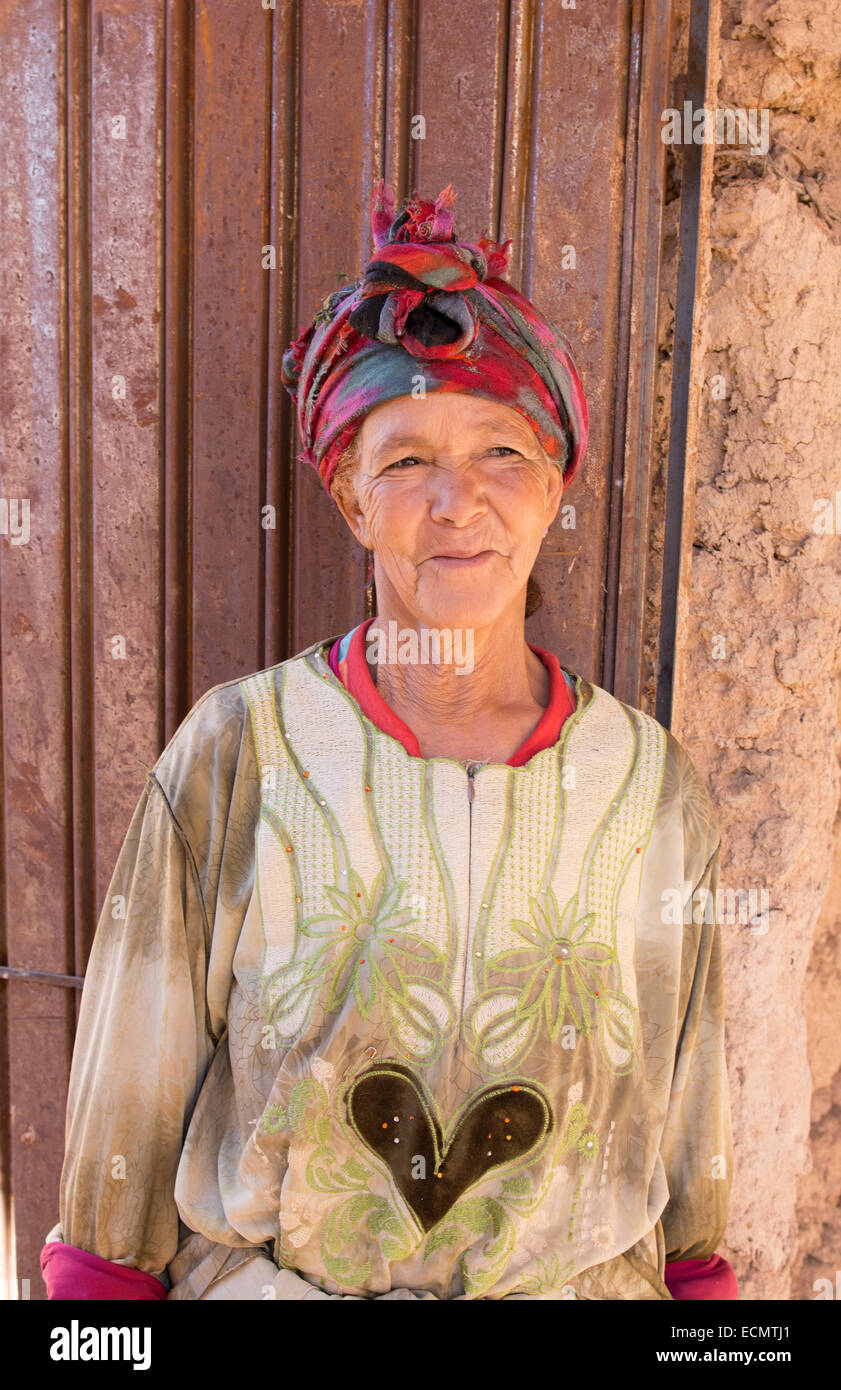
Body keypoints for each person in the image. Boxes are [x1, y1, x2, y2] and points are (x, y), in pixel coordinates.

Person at [41, 180, 737, 1300]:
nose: (456, 500)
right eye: (405, 459)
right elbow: (123, 1123)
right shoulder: (240, 753)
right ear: (351, 500)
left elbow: (688, 1124)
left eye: (502, 453)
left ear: (556, 482)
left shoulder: (648, 787)